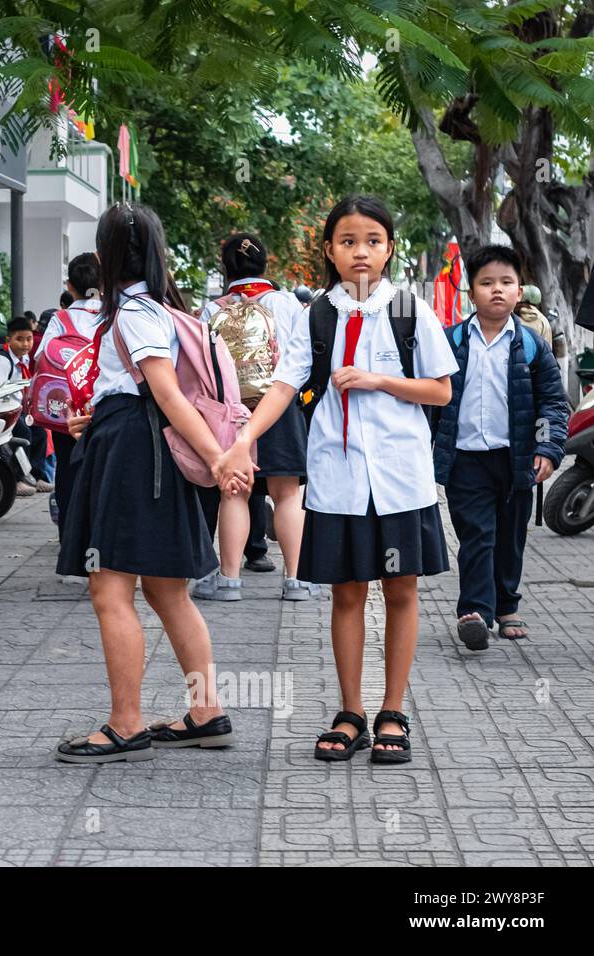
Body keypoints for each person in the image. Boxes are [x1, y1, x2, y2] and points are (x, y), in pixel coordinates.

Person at [215, 195, 458, 765]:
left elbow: (441, 390)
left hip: (401, 477)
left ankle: (392, 709)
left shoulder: (410, 310)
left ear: (389, 247)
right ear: (329, 250)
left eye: (373, 240)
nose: (361, 252)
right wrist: (244, 440)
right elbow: (282, 386)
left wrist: (378, 380)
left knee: (401, 591)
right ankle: (351, 712)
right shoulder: (315, 314)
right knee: (347, 594)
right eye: (348, 242)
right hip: (339, 474)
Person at [54, 202, 237, 764]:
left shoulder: (132, 312)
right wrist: (104, 408)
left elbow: (164, 392)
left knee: (110, 587)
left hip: (135, 453)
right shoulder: (158, 308)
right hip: (140, 442)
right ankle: (205, 713)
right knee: (166, 590)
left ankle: (125, 723)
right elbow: (142, 389)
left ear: (106, 256)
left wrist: (220, 457)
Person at [432, 245, 567, 647]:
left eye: (506, 282)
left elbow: (553, 403)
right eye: (486, 283)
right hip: (465, 459)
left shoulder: (531, 346)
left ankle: (507, 605)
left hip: (517, 459)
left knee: (510, 537)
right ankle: (474, 611)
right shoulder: (451, 341)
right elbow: (429, 401)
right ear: (470, 293)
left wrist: (547, 449)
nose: (497, 290)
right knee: (477, 535)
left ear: (519, 290)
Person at [194, 234, 316, 601]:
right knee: (287, 495)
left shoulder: (212, 309)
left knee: (234, 492)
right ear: (265, 264)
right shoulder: (287, 304)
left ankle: (229, 580)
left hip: (232, 414)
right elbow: (304, 360)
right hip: (279, 408)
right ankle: (296, 579)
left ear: (225, 268)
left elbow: (204, 365)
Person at [36, 253, 104, 527]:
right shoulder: (111, 314)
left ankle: (69, 534)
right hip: (102, 405)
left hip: (67, 410)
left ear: (69, 286)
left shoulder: (60, 319)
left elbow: (42, 356)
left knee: (67, 469)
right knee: (102, 468)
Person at [0, 315, 53, 494]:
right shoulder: (1, 361)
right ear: (9, 339)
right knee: (23, 432)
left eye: (29, 339)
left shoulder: (24, 359)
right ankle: (16, 479)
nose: (25, 344)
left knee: (40, 431)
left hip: (17, 409)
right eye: (20, 339)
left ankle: (36, 476)